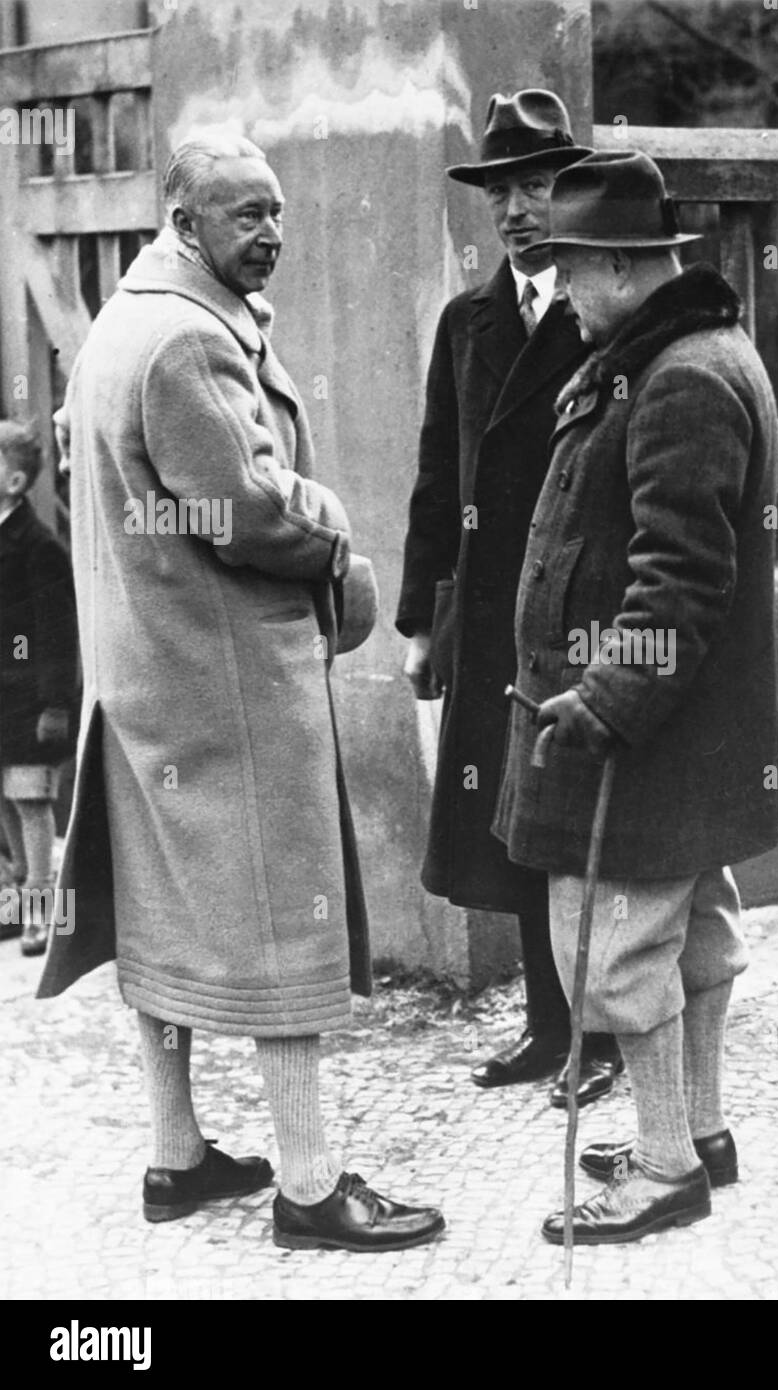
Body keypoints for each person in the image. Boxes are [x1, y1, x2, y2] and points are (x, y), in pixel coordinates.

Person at [37, 133, 444, 1250]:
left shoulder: (124, 323)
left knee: (160, 920)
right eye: (246, 216)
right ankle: (310, 1186)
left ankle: (175, 1158)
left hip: (146, 675)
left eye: (276, 213)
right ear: (186, 225)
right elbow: (250, 509)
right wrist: (341, 535)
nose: (271, 234)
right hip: (226, 682)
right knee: (284, 924)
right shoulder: (183, 342)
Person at [493, 151, 778, 1243]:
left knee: (614, 947)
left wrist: (608, 699)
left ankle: (665, 1164)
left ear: (620, 265)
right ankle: (698, 1128)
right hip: (683, 731)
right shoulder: (669, 354)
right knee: (693, 930)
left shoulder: (681, 377)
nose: (560, 288)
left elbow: (681, 577)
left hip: (641, 735)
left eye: (570, 267)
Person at [397, 89, 623, 1108]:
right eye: (504, 192)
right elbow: (438, 477)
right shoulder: (467, 322)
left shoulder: (606, 314)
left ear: (570, 190)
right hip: (493, 613)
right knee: (514, 819)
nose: (521, 210)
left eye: (538, 185)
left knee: (583, 821)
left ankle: (608, 1031)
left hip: (579, 606)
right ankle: (549, 1023)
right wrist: (419, 620)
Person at [0, 421, 77, 957]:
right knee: (5, 800)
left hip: (30, 700)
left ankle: (40, 914)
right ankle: (15, 903)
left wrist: (54, 704)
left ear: (15, 481)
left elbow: (56, 631)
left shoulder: (39, 546)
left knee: (30, 800)